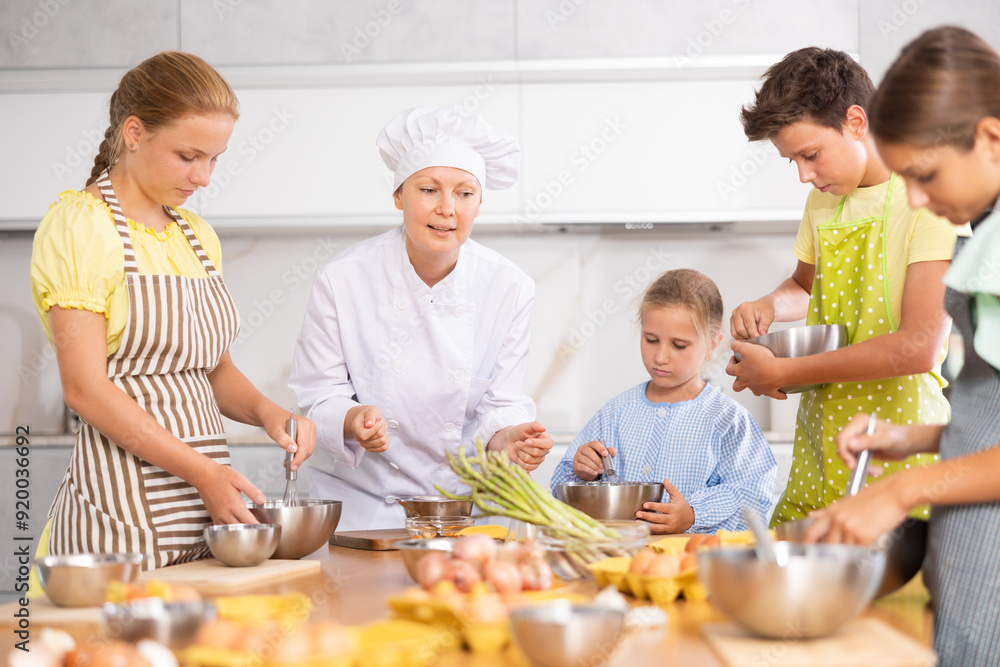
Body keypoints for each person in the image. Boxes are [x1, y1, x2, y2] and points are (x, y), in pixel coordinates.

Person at [29, 51, 315, 574]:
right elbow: (85, 389)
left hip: (201, 508)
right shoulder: (80, 227)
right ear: (134, 133)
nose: (203, 177)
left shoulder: (194, 234)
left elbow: (215, 371)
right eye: (189, 156)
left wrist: (270, 413)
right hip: (117, 515)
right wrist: (201, 471)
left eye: (214, 159)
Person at [805, 26, 1000, 666]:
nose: (915, 198)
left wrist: (899, 488)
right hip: (970, 576)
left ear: (991, 140)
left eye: (926, 174)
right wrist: (907, 440)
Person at [726, 47, 963, 527]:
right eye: (792, 161)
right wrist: (770, 303)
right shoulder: (822, 201)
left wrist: (784, 374)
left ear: (856, 122)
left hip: (899, 447)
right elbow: (803, 285)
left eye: (810, 155)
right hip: (821, 442)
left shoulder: (927, 198)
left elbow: (918, 347)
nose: (804, 176)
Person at [289, 106, 553, 531]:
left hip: (462, 507)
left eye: (465, 193)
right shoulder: (342, 279)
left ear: (479, 203)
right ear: (398, 196)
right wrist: (354, 421)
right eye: (429, 190)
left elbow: (500, 405)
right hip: (363, 506)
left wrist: (510, 441)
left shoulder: (508, 287)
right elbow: (319, 394)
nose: (447, 209)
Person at [550, 269, 776, 534]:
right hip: (616, 559)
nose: (660, 357)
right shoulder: (615, 413)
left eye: (679, 345)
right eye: (651, 340)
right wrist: (583, 472)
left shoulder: (728, 420)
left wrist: (693, 514)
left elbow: (753, 496)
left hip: (694, 566)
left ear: (713, 344)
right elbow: (559, 489)